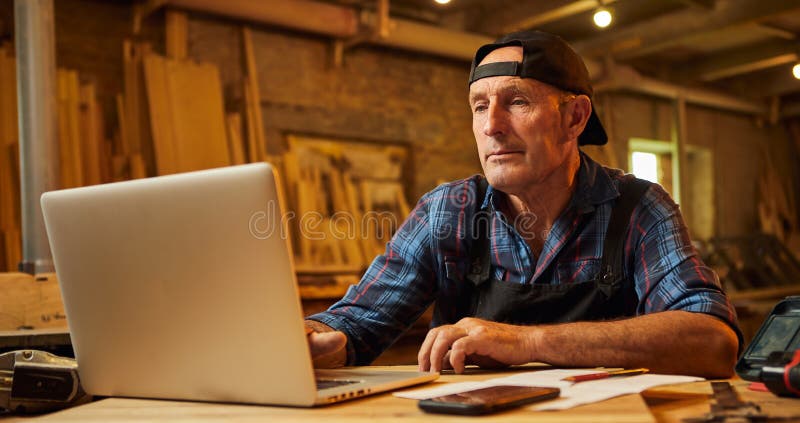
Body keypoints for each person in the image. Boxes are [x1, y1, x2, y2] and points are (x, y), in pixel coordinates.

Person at [304, 30, 741, 378]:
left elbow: (712, 340)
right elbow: (358, 322)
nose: (492, 126)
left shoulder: (638, 208)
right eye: (479, 107)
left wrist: (526, 343)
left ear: (575, 118)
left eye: (517, 102)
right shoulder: (448, 212)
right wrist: (321, 338)